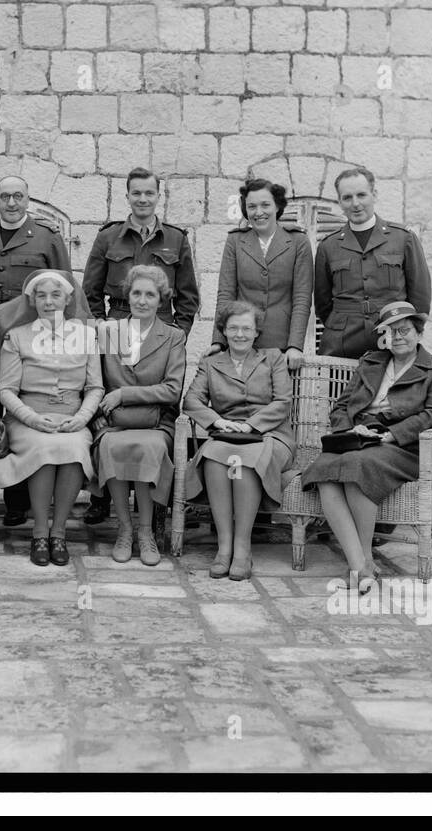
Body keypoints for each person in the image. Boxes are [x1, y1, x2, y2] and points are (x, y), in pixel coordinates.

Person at [300, 301, 432, 593]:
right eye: (391, 332)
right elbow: (342, 406)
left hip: (403, 445)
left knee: (358, 466)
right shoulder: (370, 362)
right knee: (324, 472)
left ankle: (363, 563)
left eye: (405, 330)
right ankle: (361, 564)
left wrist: (391, 434)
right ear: (383, 336)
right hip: (359, 437)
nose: (398, 337)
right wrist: (349, 429)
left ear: (418, 332)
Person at [81, 166, 198, 525]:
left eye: (149, 193)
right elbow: (90, 290)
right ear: (127, 196)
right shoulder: (109, 238)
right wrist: (103, 330)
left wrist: (168, 337)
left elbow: (189, 298)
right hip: (116, 332)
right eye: (136, 193)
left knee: (155, 416)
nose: (143, 199)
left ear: (158, 196)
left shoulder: (176, 239)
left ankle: (157, 504)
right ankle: (102, 497)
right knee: (107, 411)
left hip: (158, 335)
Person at [0, 174, 71, 528]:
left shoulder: (46, 239)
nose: (11, 203)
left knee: (18, 410)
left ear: (29, 199)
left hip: (29, 339)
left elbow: (64, 289)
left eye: (18, 196)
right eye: (5, 196)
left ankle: (17, 500)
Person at [0, 270, 103, 568]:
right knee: (44, 448)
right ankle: (40, 533)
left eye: (56, 295)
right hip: (28, 417)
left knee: (72, 449)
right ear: (32, 301)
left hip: (72, 417)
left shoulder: (86, 335)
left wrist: (82, 418)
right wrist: (31, 418)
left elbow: (95, 387)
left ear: (68, 300)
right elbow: (6, 390)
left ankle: (59, 533)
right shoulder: (17, 336)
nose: (48, 301)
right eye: (41, 295)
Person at [182, 301, 294, 581]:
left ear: (257, 332)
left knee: (244, 463)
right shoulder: (210, 363)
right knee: (214, 459)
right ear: (224, 331)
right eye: (233, 328)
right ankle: (223, 547)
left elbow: (283, 402)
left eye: (247, 328)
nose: (240, 334)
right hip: (226, 433)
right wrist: (217, 421)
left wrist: (251, 425)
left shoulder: (273, 358)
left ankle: (242, 549)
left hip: (270, 434)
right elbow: (191, 400)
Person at [92, 266, 186, 566]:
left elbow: (172, 390)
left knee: (150, 448)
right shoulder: (107, 331)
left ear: (161, 300)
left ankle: (145, 532)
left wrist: (124, 394)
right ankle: (124, 529)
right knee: (111, 446)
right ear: (127, 296)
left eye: (150, 295)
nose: (142, 301)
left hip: (156, 421)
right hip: (114, 422)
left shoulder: (173, 336)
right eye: (136, 293)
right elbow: (96, 381)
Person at [314, 166, 431, 358]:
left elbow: (421, 298)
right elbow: (322, 303)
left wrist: (405, 333)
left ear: (374, 195)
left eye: (362, 195)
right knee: (339, 388)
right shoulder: (329, 246)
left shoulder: (403, 239)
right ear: (339, 202)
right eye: (347, 198)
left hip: (391, 340)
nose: (355, 204)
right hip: (343, 343)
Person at [212, 178, 312, 368]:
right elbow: (225, 295)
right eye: (252, 207)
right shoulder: (235, 241)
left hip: (281, 349)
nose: (259, 212)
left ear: (277, 206)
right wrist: (218, 341)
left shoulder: (298, 241)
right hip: (241, 345)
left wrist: (295, 346)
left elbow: (302, 298)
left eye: (265, 205)